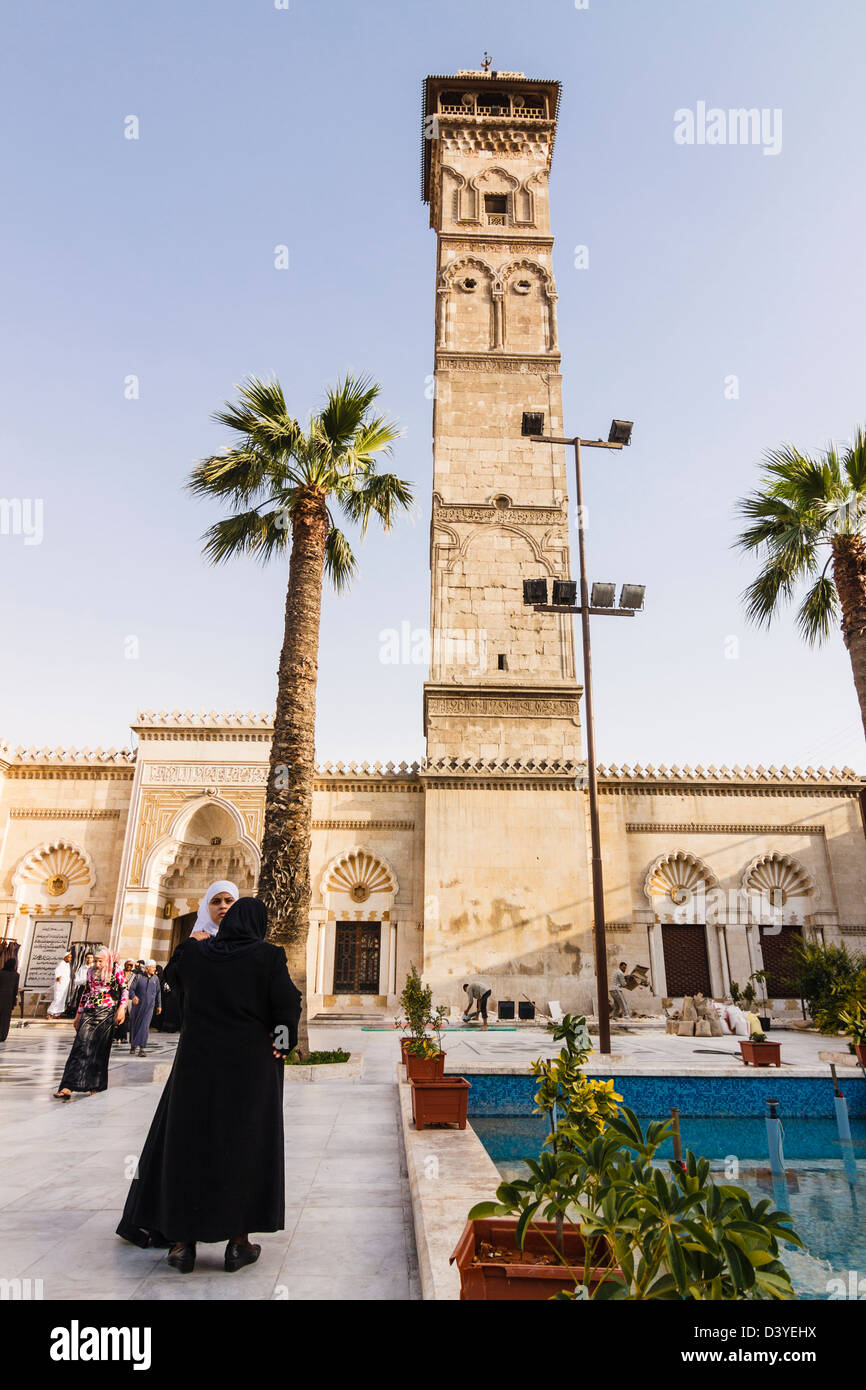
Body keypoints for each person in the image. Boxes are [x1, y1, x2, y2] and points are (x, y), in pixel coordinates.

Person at [116, 898, 301, 1273]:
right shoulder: (267, 957)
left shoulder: (198, 955)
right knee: (243, 1146)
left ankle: (182, 1246)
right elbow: (286, 1007)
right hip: (248, 1070)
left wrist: (192, 941)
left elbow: (171, 976)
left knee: (189, 1146)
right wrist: (281, 1047)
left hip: (196, 1067)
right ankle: (238, 1244)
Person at [53, 948, 128, 1098]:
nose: (98, 964)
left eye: (100, 961)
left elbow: (124, 989)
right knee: (80, 1046)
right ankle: (68, 1085)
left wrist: (122, 1008)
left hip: (106, 1011)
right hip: (89, 1009)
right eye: (96, 961)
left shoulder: (115, 970)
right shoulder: (90, 971)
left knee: (99, 1049)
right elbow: (86, 991)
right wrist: (78, 1014)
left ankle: (96, 1085)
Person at [129, 960, 161, 1056]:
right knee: (135, 1024)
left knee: (145, 1026)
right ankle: (133, 1045)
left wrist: (159, 1005)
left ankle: (142, 1048)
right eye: (153, 967)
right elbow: (131, 989)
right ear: (147, 968)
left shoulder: (156, 979)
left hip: (149, 1007)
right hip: (138, 1006)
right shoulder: (138, 977)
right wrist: (133, 996)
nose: (154, 969)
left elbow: (158, 993)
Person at [47, 951, 72, 1018]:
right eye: (69, 957)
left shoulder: (67, 964)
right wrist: (58, 976)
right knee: (57, 999)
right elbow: (57, 970)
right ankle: (49, 1013)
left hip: (65, 985)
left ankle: (57, 1014)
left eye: (70, 957)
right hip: (60, 984)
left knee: (62, 999)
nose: (70, 959)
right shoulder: (61, 963)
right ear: (65, 957)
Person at [69, 951, 95, 1016]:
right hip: (83, 987)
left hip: (93, 988)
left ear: (93, 959)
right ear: (85, 958)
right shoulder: (81, 968)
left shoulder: (94, 968)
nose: (89, 959)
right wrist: (85, 981)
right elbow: (76, 981)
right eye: (88, 958)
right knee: (80, 1002)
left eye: (91, 958)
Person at [0, 958, 19, 1042]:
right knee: (5, 1018)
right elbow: (15, 990)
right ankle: (3, 1035)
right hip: (8, 999)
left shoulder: (1, 973)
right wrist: (14, 1002)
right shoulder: (16, 975)